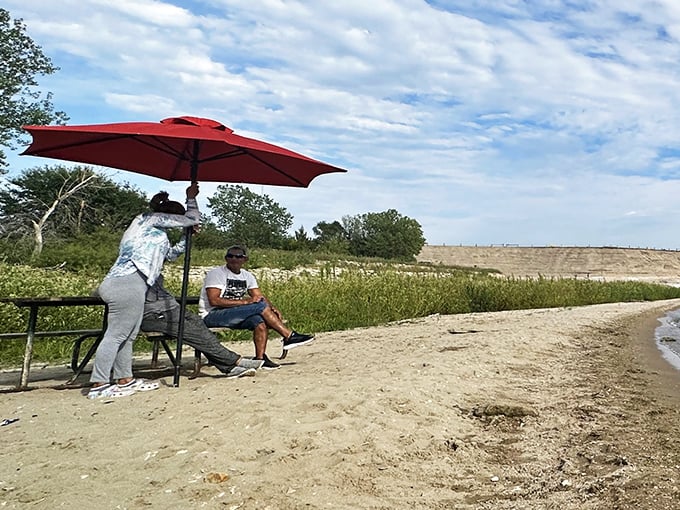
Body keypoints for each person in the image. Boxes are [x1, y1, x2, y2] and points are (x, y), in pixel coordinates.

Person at [87, 183, 200, 399]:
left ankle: (125, 379)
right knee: (116, 335)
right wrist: (191, 198)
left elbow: (171, 255)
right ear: (169, 216)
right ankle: (99, 383)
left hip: (133, 283)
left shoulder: (155, 234)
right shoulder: (150, 218)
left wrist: (187, 238)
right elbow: (193, 218)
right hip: (127, 282)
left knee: (128, 336)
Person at [199, 244, 315, 370]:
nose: (234, 259)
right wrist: (246, 302)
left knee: (258, 321)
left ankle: (260, 359)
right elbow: (214, 301)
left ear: (245, 259)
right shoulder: (216, 274)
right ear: (226, 258)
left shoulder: (247, 276)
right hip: (213, 315)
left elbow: (259, 296)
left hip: (233, 313)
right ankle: (288, 336)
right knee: (259, 307)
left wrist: (272, 307)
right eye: (230, 256)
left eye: (238, 256)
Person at [140, 274, 264, 378]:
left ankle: (228, 367)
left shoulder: (154, 270)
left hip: (173, 309)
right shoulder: (135, 275)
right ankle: (235, 361)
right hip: (155, 315)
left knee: (201, 327)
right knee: (195, 333)